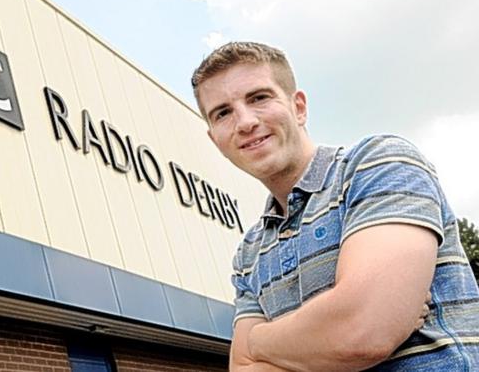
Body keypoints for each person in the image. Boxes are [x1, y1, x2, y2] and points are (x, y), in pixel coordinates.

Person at [191, 42, 479, 371]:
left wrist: (259, 341)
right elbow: (242, 369)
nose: (244, 122)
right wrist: (330, 330)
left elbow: (363, 330)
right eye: (223, 113)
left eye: (258, 98)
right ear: (215, 139)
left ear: (298, 107)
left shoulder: (376, 164)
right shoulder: (249, 253)